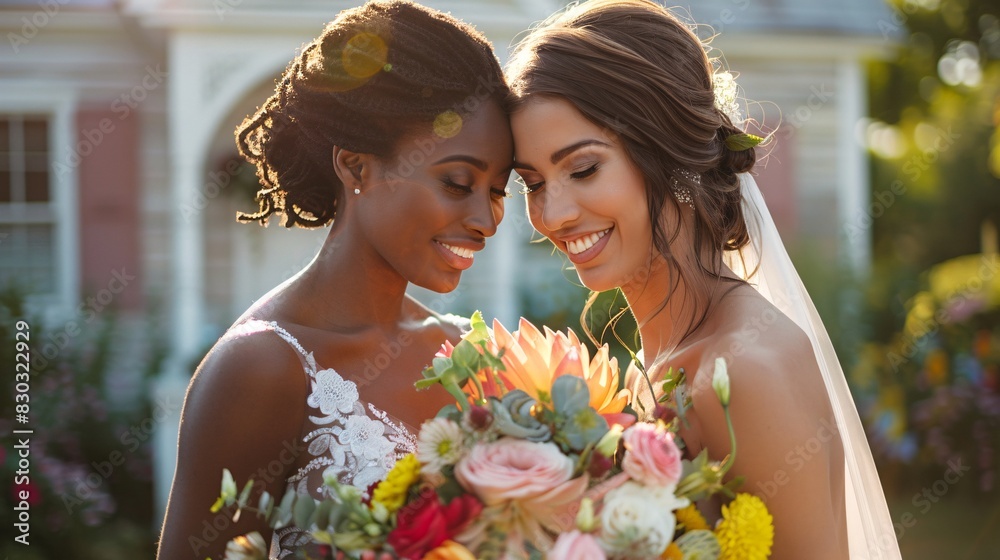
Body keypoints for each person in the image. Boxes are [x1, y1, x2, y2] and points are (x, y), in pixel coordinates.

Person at [505, 1, 900, 558]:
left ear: (669, 153)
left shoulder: (743, 372)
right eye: (532, 182)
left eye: (584, 168)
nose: (554, 213)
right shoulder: (666, 359)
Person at [156, 2, 514, 558]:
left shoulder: (462, 354)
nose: (485, 220)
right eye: (457, 182)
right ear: (356, 168)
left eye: (496, 191)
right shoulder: (261, 370)